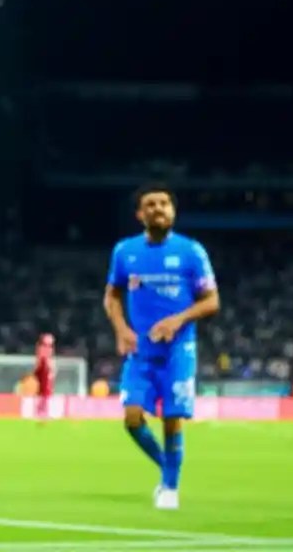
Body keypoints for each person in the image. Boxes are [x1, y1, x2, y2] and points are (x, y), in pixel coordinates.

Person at [103, 182, 220, 511]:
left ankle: (170, 487)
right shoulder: (125, 252)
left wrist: (178, 320)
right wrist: (121, 328)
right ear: (140, 214)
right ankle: (167, 465)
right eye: (151, 204)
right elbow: (112, 294)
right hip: (140, 351)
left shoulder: (191, 252)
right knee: (131, 418)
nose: (159, 209)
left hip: (178, 351)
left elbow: (212, 301)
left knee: (171, 419)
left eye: (164, 203)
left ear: (173, 210)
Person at [34, 332, 56, 423]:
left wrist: (51, 371)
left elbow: (50, 360)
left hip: (46, 372)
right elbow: (41, 361)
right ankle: (41, 413)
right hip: (43, 371)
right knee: (43, 393)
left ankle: (44, 412)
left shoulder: (48, 350)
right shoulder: (41, 350)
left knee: (47, 394)